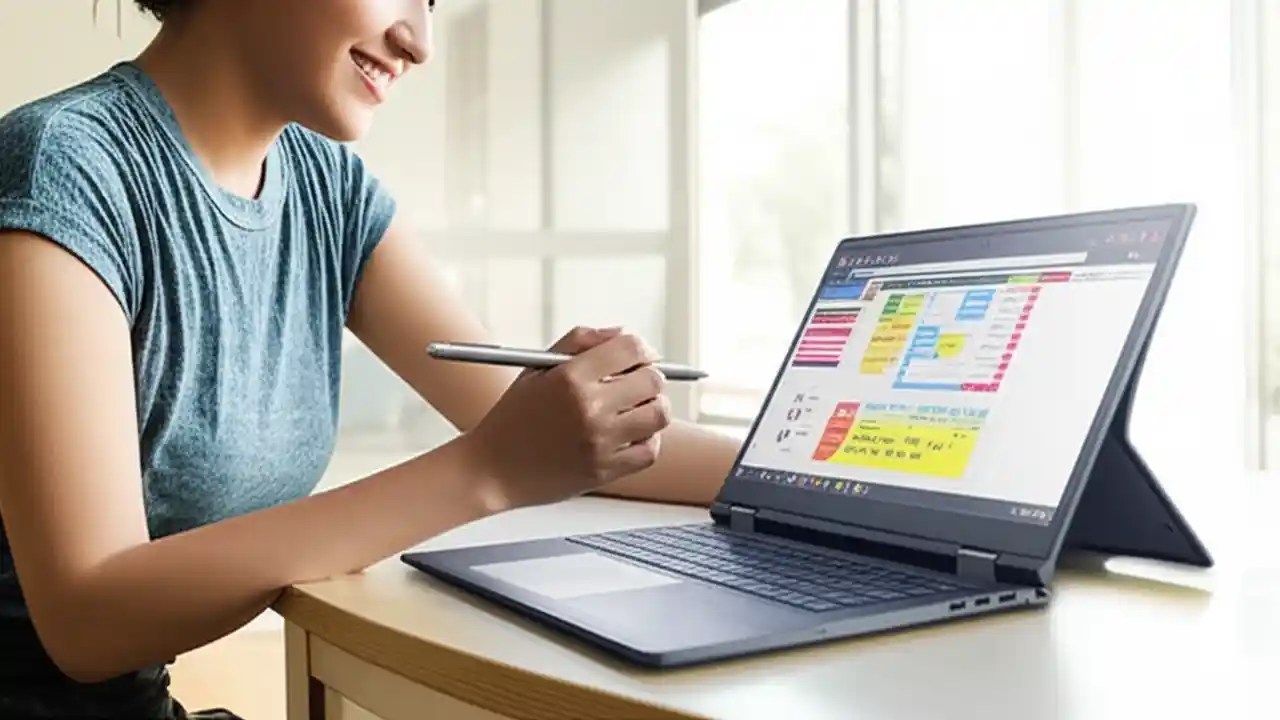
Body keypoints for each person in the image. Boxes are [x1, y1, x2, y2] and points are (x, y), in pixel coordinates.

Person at [0, 1, 741, 717]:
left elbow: (526, 415)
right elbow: (86, 621)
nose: (419, 40)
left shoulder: (328, 191)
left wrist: (817, 476)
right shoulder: (62, 168)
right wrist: (488, 471)